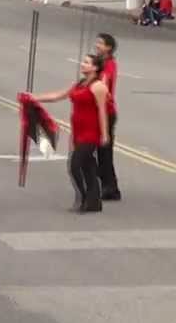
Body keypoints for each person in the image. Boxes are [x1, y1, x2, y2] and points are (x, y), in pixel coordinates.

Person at [26, 54, 111, 212]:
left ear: (95, 67)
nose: (83, 64)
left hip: (91, 132)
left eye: (87, 62)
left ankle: (85, 198)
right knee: (88, 166)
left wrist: (105, 134)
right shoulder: (79, 84)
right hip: (78, 131)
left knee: (75, 165)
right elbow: (57, 96)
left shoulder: (98, 86)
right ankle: (94, 202)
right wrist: (34, 98)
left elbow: (102, 111)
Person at [94, 33, 122, 201]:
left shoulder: (110, 64)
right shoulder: (100, 63)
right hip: (97, 110)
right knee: (99, 151)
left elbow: (104, 81)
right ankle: (103, 184)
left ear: (109, 47)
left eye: (101, 43)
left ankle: (110, 187)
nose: (97, 45)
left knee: (105, 151)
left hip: (107, 111)